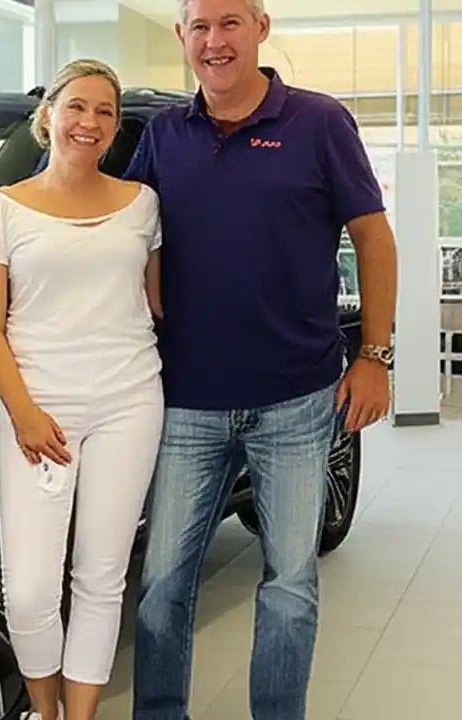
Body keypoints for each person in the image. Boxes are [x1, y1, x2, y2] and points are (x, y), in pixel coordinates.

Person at [124, 1, 398, 719]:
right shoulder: (161, 135)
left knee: (289, 585)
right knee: (161, 585)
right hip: (186, 399)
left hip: (296, 400)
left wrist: (373, 354)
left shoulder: (318, 122)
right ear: (182, 37)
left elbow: (373, 237)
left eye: (230, 24)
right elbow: (124, 239)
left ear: (260, 28)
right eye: (200, 28)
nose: (215, 42)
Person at [0, 58, 165, 720]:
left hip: (129, 401)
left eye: (106, 112)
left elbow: (161, 303)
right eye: (77, 106)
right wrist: (21, 412)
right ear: (48, 115)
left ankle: (78, 717)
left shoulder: (142, 206)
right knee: (27, 592)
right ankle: (44, 709)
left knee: (102, 577)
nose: (91, 122)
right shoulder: (2, 209)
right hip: (37, 408)